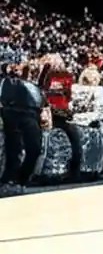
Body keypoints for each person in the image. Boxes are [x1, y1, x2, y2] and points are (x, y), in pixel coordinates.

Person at [1, 61, 53, 197]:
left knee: (35, 148)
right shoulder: (8, 79)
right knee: (14, 149)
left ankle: (21, 179)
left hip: (31, 113)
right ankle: (8, 180)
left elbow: (42, 95)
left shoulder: (35, 82)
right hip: (11, 111)